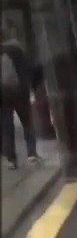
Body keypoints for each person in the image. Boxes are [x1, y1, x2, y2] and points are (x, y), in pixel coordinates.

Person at [1, 38, 39, 169]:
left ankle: (11, 159)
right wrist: (30, 86)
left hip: (3, 96)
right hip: (20, 93)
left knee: (6, 127)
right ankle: (32, 154)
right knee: (27, 122)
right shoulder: (15, 49)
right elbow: (29, 68)